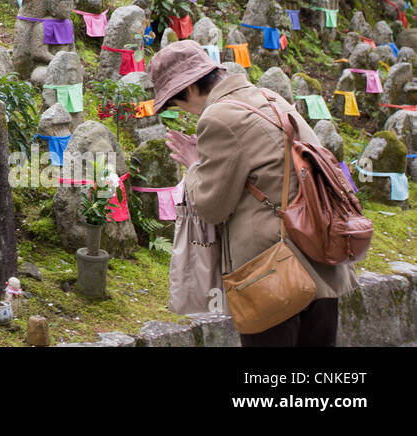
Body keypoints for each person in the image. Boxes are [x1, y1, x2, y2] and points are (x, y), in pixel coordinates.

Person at [148, 40, 358, 346]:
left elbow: (211, 206)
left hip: (273, 273)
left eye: (177, 104)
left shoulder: (218, 116)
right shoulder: (269, 98)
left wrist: (194, 166)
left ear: (190, 89)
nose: (186, 114)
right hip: (322, 258)